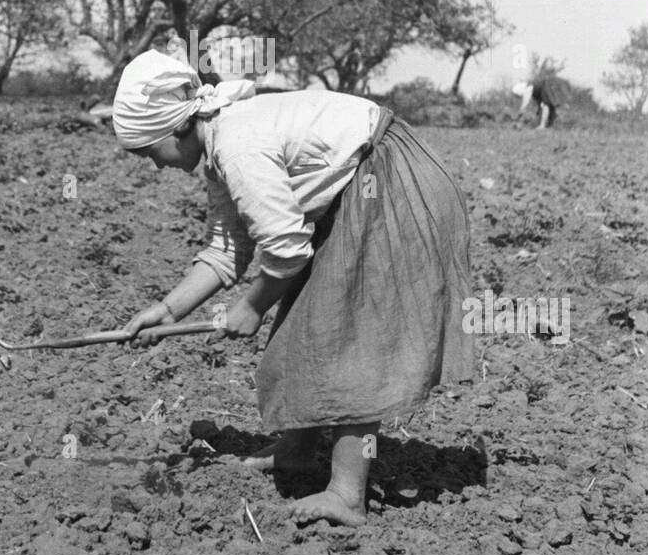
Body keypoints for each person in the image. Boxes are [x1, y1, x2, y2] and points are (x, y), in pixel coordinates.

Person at [114, 51, 473, 528]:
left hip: (388, 181)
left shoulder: (237, 145)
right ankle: (297, 452)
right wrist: (169, 310)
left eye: (148, 152)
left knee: (349, 337)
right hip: (358, 181)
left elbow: (285, 249)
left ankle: (346, 494)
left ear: (176, 128)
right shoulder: (221, 143)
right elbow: (229, 249)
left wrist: (251, 306)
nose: (154, 166)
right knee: (305, 317)